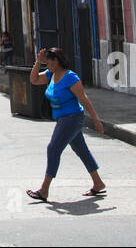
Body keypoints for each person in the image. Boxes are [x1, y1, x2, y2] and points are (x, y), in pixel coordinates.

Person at [26, 47, 106, 202]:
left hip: (72, 118)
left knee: (53, 148)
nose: (47, 64)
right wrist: (38, 62)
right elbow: (34, 80)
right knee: (81, 150)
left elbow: (84, 99)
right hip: (63, 119)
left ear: (56, 61)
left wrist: (96, 120)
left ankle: (44, 189)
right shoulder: (51, 74)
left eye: (48, 61)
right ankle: (98, 183)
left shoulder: (70, 77)